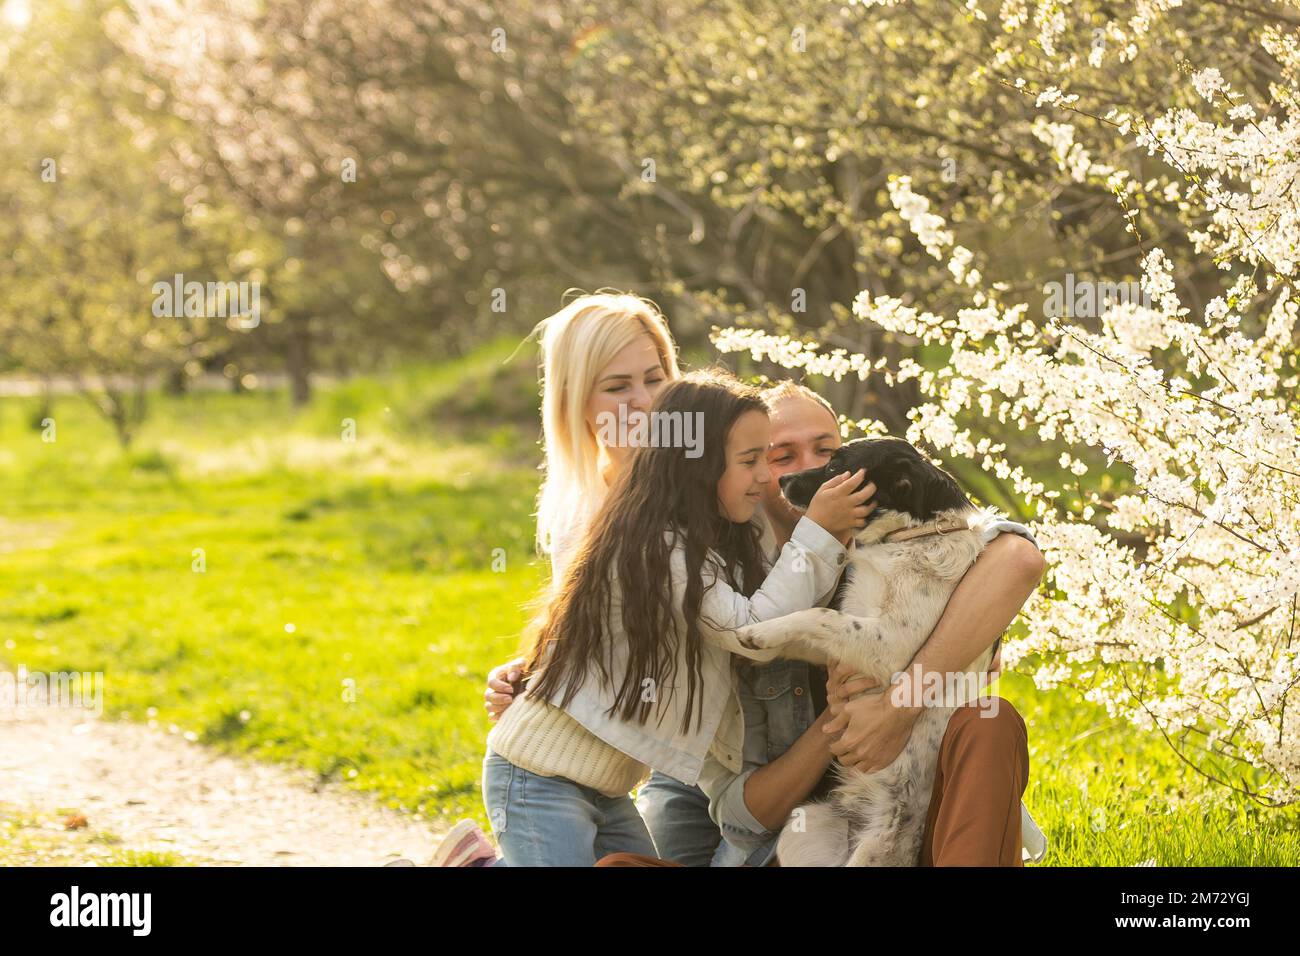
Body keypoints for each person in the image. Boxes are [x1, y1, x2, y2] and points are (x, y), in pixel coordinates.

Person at [489, 380, 1050, 866]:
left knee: (989, 718)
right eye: (775, 456)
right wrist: (836, 724)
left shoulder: (917, 545)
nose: (809, 470)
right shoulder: (727, 588)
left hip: (920, 812)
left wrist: (898, 707)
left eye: (827, 451)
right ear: (721, 473)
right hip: (804, 841)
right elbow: (741, 812)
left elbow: (1018, 557)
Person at [479, 369, 872, 865]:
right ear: (698, 467)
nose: (762, 477)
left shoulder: (713, 544)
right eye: (752, 460)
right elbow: (751, 630)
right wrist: (819, 532)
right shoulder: (658, 546)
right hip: (539, 778)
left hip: (608, 790)